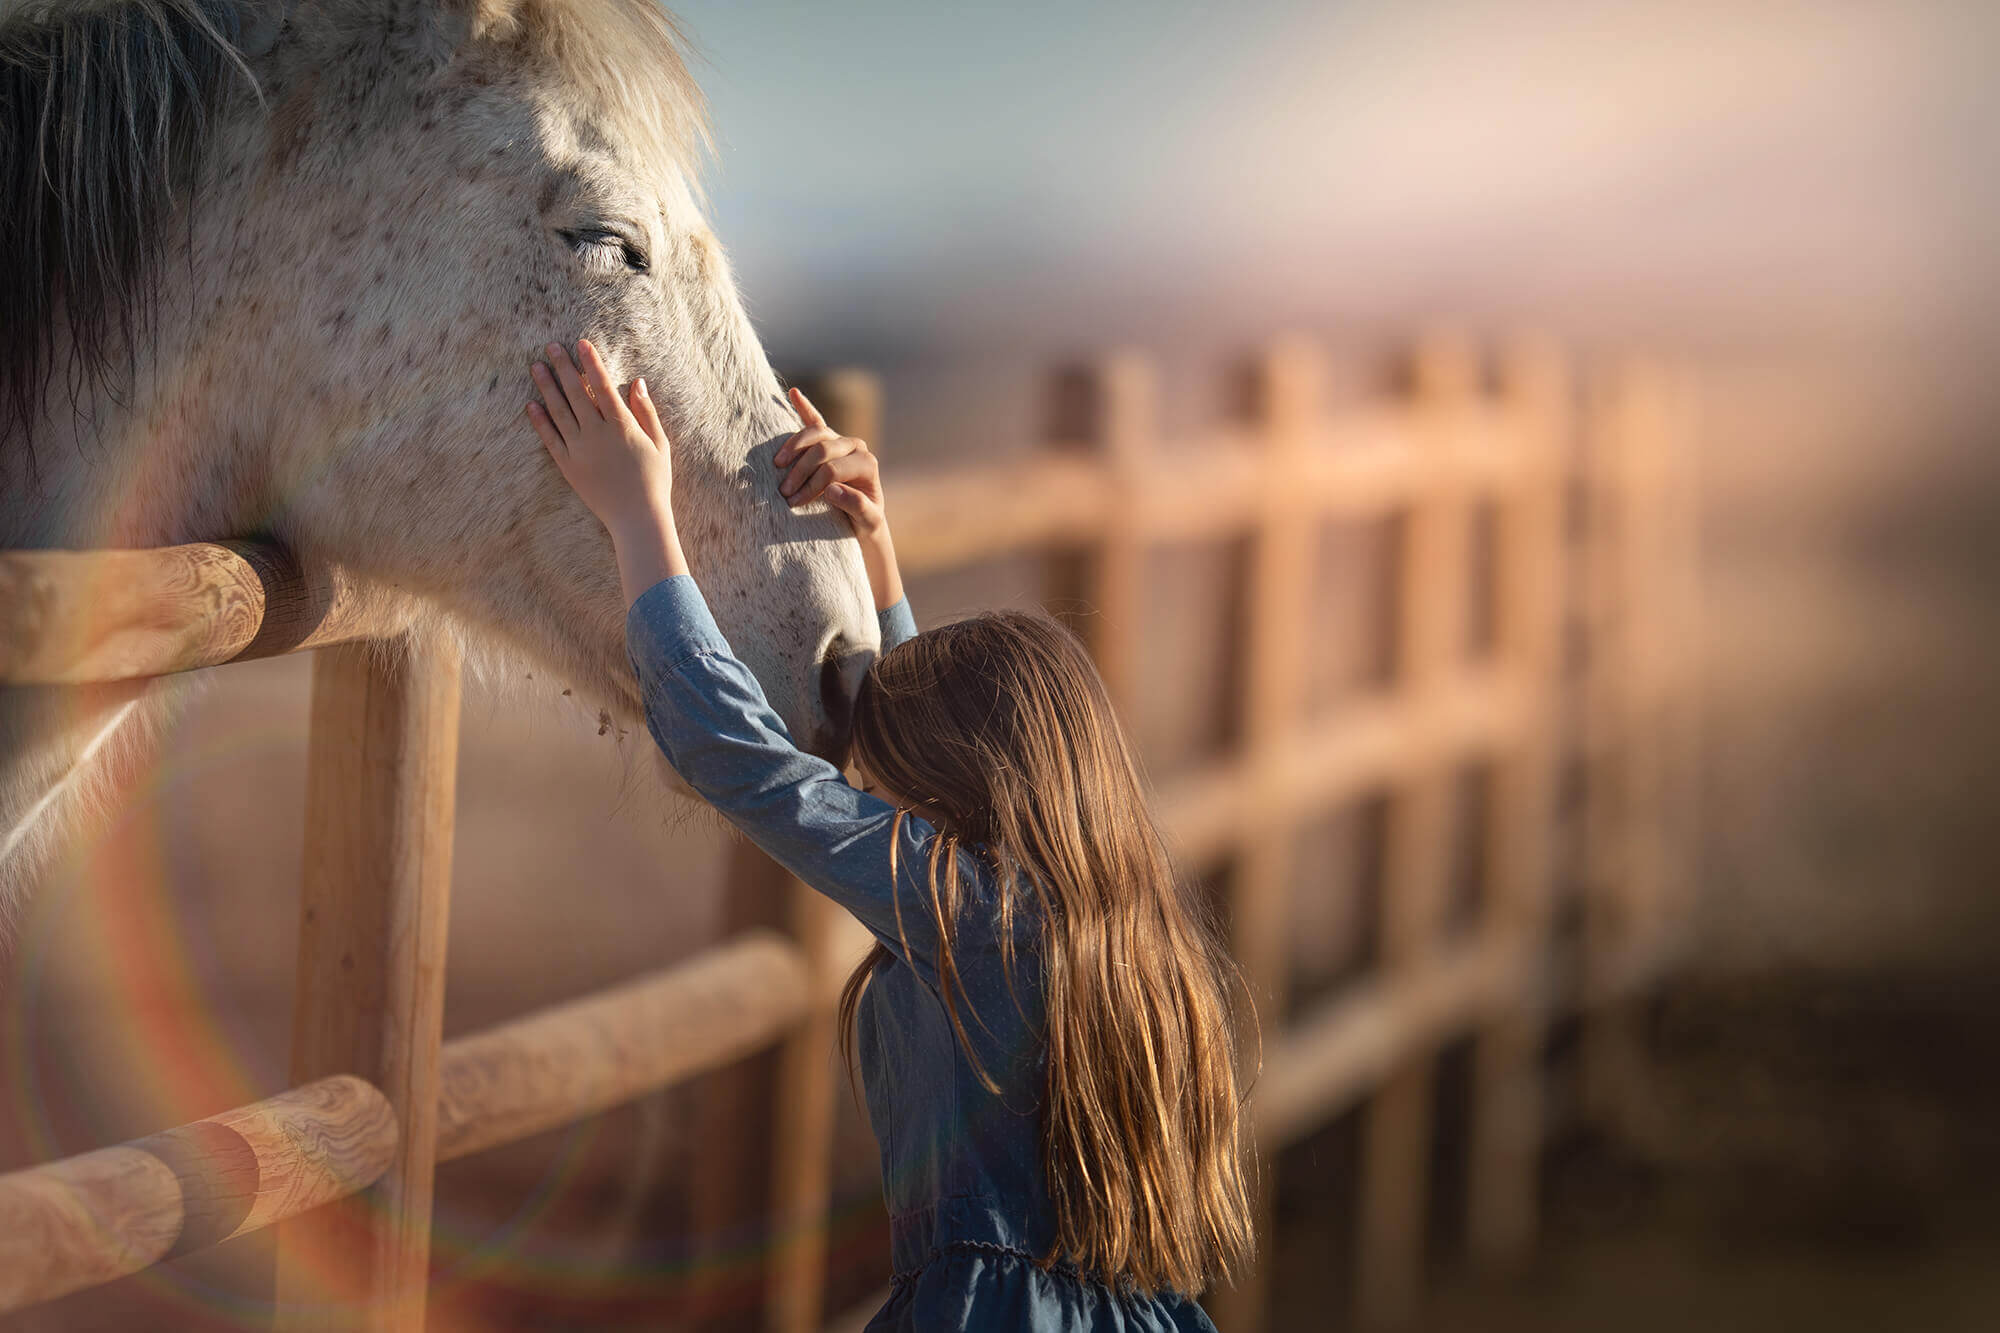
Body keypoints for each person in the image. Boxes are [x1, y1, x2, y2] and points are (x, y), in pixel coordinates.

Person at [524, 339, 1255, 1331]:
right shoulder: (1127, 937)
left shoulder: (970, 913)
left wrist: (637, 514)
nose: (869, 780)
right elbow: (932, 740)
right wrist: (872, 545)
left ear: (952, 780)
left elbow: (745, 763)